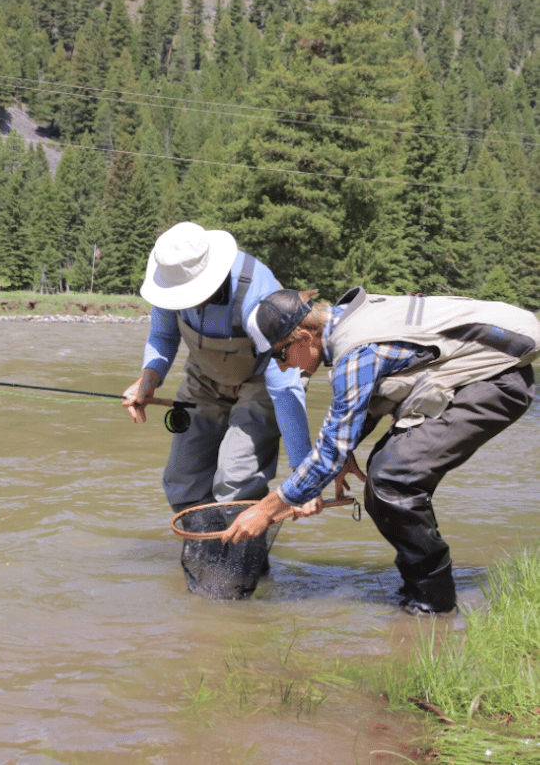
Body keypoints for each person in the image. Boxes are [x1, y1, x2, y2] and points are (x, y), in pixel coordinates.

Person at [223, 285, 540, 615]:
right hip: (480, 374)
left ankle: (433, 604)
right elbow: (369, 399)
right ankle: (419, 589)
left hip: (498, 382)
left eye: (279, 355)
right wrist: (344, 457)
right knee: (384, 478)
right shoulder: (347, 321)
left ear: (303, 336)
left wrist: (268, 508)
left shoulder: (355, 350)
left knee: (393, 479)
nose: (283, 367)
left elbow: (331, 447)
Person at [121, 222, 314, 514]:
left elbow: (285, 387)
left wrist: (303, 473)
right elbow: (164, 335)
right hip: (203, 378)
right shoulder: (169, 281)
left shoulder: (255, 296)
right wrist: (149, 378)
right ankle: (204, 550)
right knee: (182, 477)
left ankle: (239, 551)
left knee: (236, 477)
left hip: (262, 380)